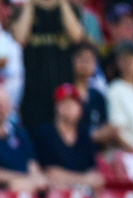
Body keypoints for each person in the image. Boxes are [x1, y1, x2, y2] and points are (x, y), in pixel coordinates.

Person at [12, 0, 85, 132]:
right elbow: (19, 38)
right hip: (33, 92)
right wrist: (30, 4)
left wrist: (62, 2)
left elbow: (77, 36)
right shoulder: (23, 10)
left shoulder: (70, 9)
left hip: (63, 90)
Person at [0, 86, 47, 191]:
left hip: (29, 188)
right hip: (0, 191)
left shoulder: (19, 132)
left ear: (9, 106)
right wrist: (24, 179)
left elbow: (32, 165)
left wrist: (34, 179)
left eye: (2, 103)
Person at [33, 84, 102, 187]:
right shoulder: (46, 132)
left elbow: (93, 172)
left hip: (84, 194)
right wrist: (83, 179)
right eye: (64, 102)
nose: (69, 106)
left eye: (74, 102)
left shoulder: (84, 136)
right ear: (56, 106)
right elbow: (50, 173)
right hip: (56, 193)